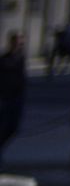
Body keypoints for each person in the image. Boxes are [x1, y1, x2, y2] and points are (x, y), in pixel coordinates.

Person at [0, 33, 25, 165]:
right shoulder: (4, 59)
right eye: (18, 43)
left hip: (17, 97)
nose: (20, 46)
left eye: (21, 44)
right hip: (5, 97)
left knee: (13, 127)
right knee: (3, 127)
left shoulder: (20, 58)